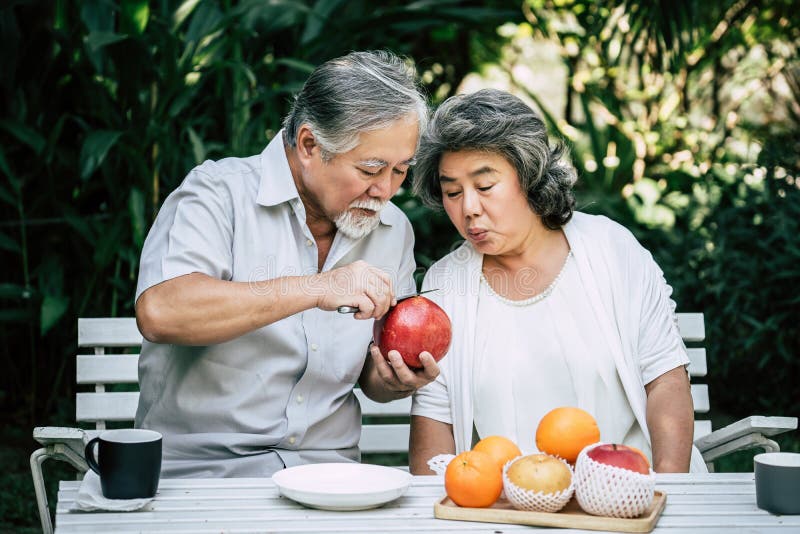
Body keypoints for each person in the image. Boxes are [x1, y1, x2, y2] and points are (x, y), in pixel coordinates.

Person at [133, 50, 440, 478]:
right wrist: (317, 288)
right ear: (310, 145)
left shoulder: (392, 230)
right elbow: (162, 312)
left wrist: (389, 379)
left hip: (331, 477)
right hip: (204, 476)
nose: (385, 190)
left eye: (400, 170)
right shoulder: (217, 194)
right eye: (371, 168)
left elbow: (372, 372)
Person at [409, 89, 706, 474]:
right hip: (513, 508)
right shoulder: (446, 284)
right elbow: (435, 422)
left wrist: (668, 493)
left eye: (484, 187)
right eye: (452, 192)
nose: (468, 208)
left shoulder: (611, 249)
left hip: (634, 493)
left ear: (529, 176)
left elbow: (665, 378)